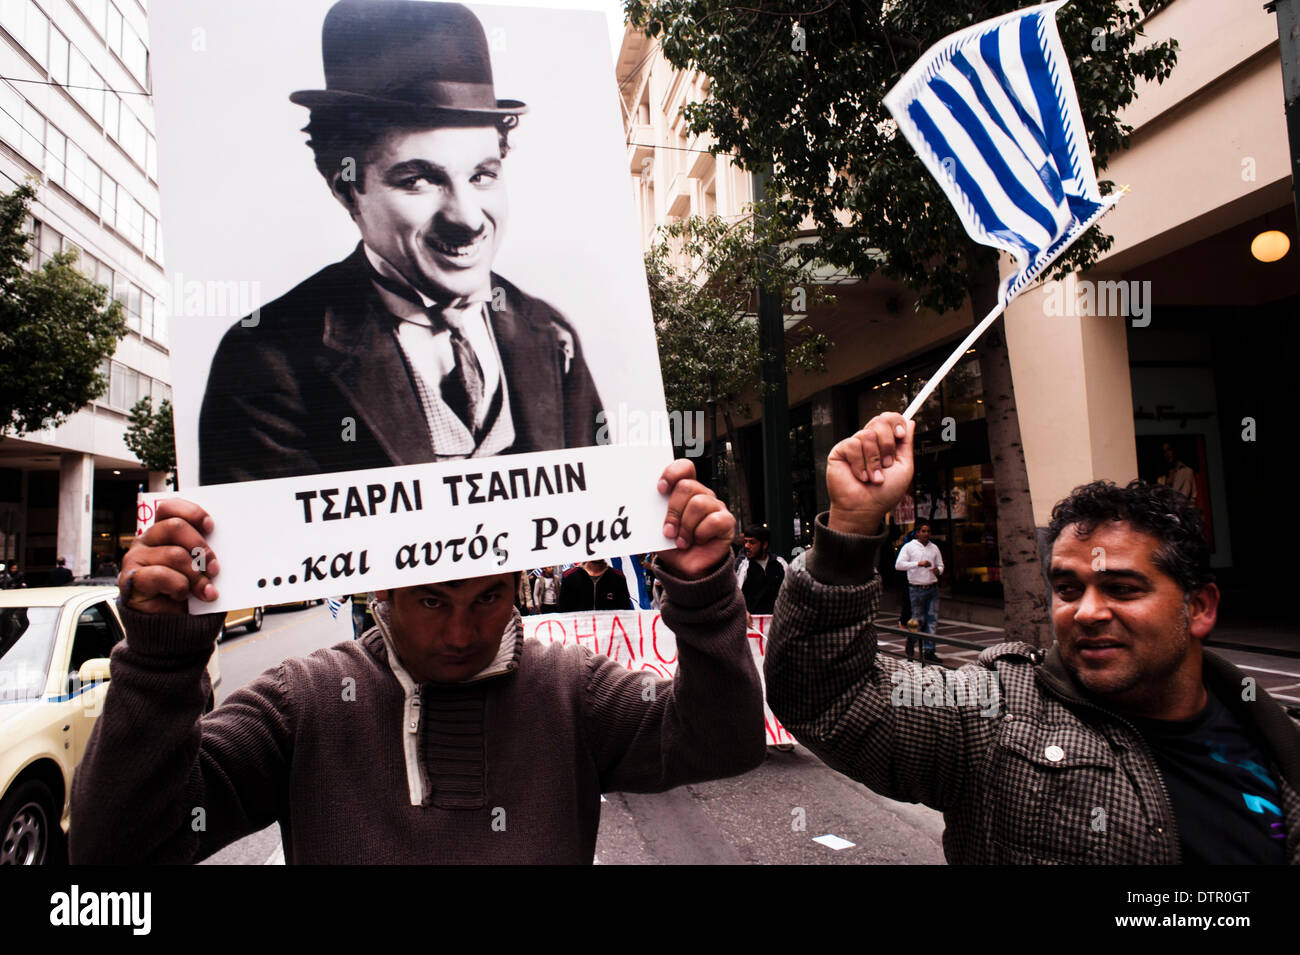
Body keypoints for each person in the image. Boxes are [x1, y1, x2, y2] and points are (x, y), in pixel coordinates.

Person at [69, 460, 765, 864]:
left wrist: (703, 595)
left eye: (490, 596)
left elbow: (722, 741)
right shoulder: (301, 703)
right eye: (432, 600)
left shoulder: (572, 690)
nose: (462, 631)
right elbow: (115, 847)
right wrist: (161, 661)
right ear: (380, 587)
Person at [765, 412, 1300, 864]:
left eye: (1122, 588)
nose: (1087, 613)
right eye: (1067, 588)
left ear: (1199, 607)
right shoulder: (994, 712)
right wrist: (852, 528)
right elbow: (830, 699)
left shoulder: (1274, 740)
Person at [198, 0, 603, 485]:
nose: (467, 219)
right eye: (418, 181)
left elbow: (601, 536)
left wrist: (684, 556)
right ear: (347, 187)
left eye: (482, 175)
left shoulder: (550, 333)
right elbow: (273, 553)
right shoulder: (267, 358)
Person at [894, 520, 944, 661]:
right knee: (918, 619)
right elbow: (899, 565)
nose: (926, 534)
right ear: (917, 533)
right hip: (916, 588)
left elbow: (941, 565)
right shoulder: (909, 547)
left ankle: (929, 650)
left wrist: (938, 570)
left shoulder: (934, 548)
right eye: (923, 531)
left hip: (932, 587)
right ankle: (911, 641)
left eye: (928, 531)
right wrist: (918, 564)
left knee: (932, 619)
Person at [735, 524, 787, 615]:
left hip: (777, 622)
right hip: (751, 625)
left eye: (752, 542)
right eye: (745, 541)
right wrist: (742, 612)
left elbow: (791, 591)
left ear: (764, 545)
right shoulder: (741, 565)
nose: (747, 546)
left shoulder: (780, 563)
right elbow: (735, 595)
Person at [557, 559, 633, 613]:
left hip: (609, 633)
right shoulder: (569, 577)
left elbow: (625, 612)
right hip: (579, 632)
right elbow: (563, 610)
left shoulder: (618, 578)